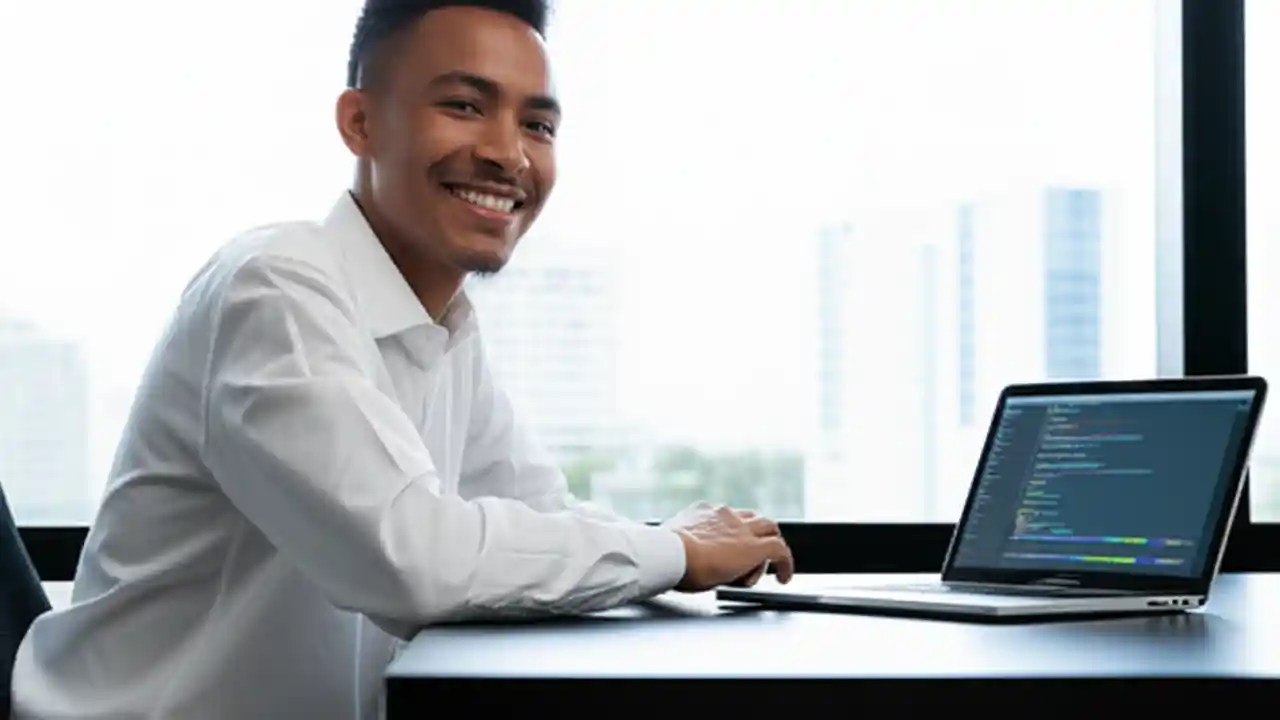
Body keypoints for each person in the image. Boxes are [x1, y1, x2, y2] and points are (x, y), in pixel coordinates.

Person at [10, 1, 794, 718]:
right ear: (360, 123)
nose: (508, 155)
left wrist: (681, 540)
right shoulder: (276, 287)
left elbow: (539, 518)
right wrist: (673, 551)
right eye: (463, 105)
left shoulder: (444, 327)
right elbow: (413, 560)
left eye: (538, 126)